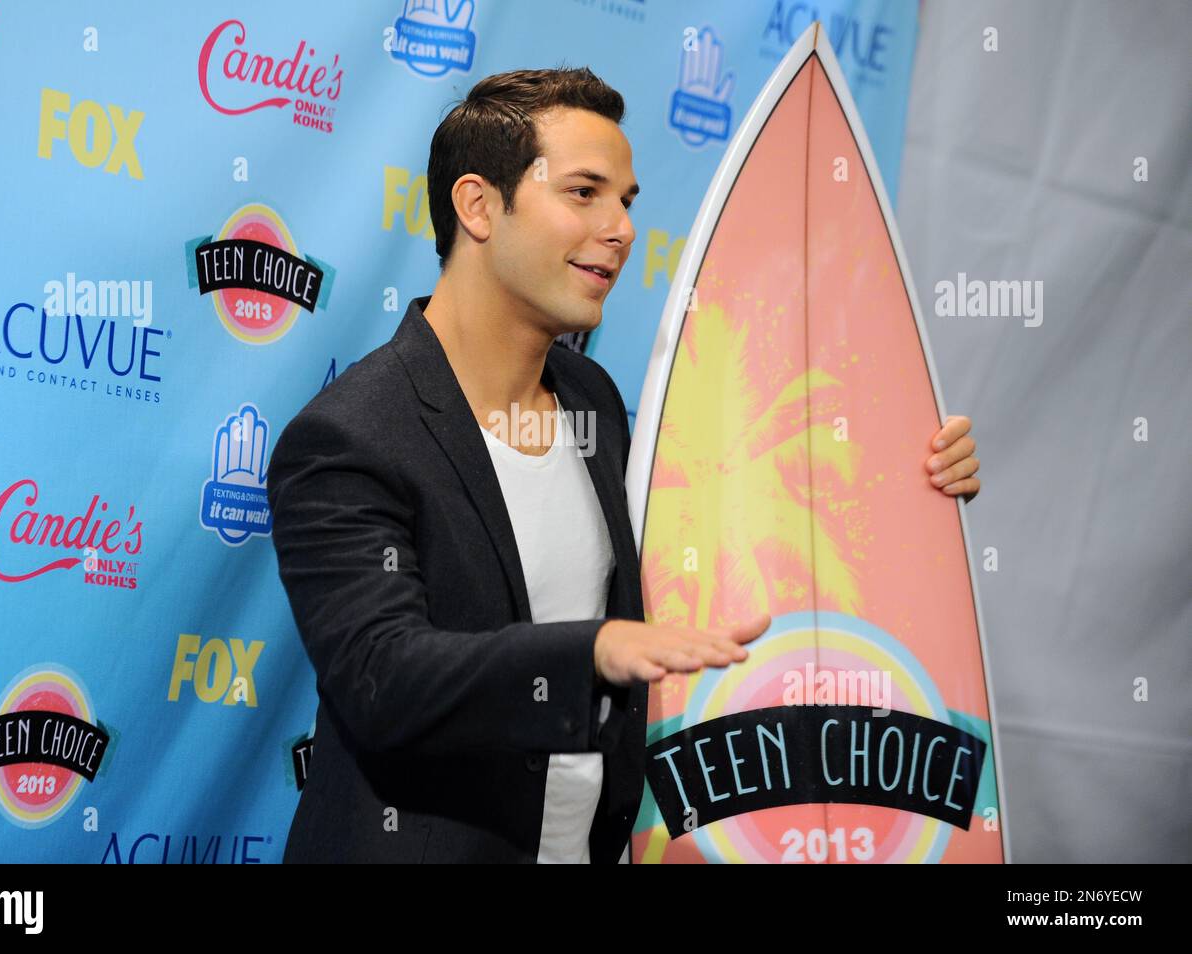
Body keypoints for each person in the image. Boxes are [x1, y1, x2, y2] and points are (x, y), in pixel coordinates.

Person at [266, 67, 981, 864]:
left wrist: (910, 476)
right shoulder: (349, 436)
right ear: (477, 206)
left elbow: (740, 513)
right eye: (583, 193)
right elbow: (382, 679)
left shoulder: (592, 398)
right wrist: (596, 651)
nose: (621, 228)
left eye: (627, 201)